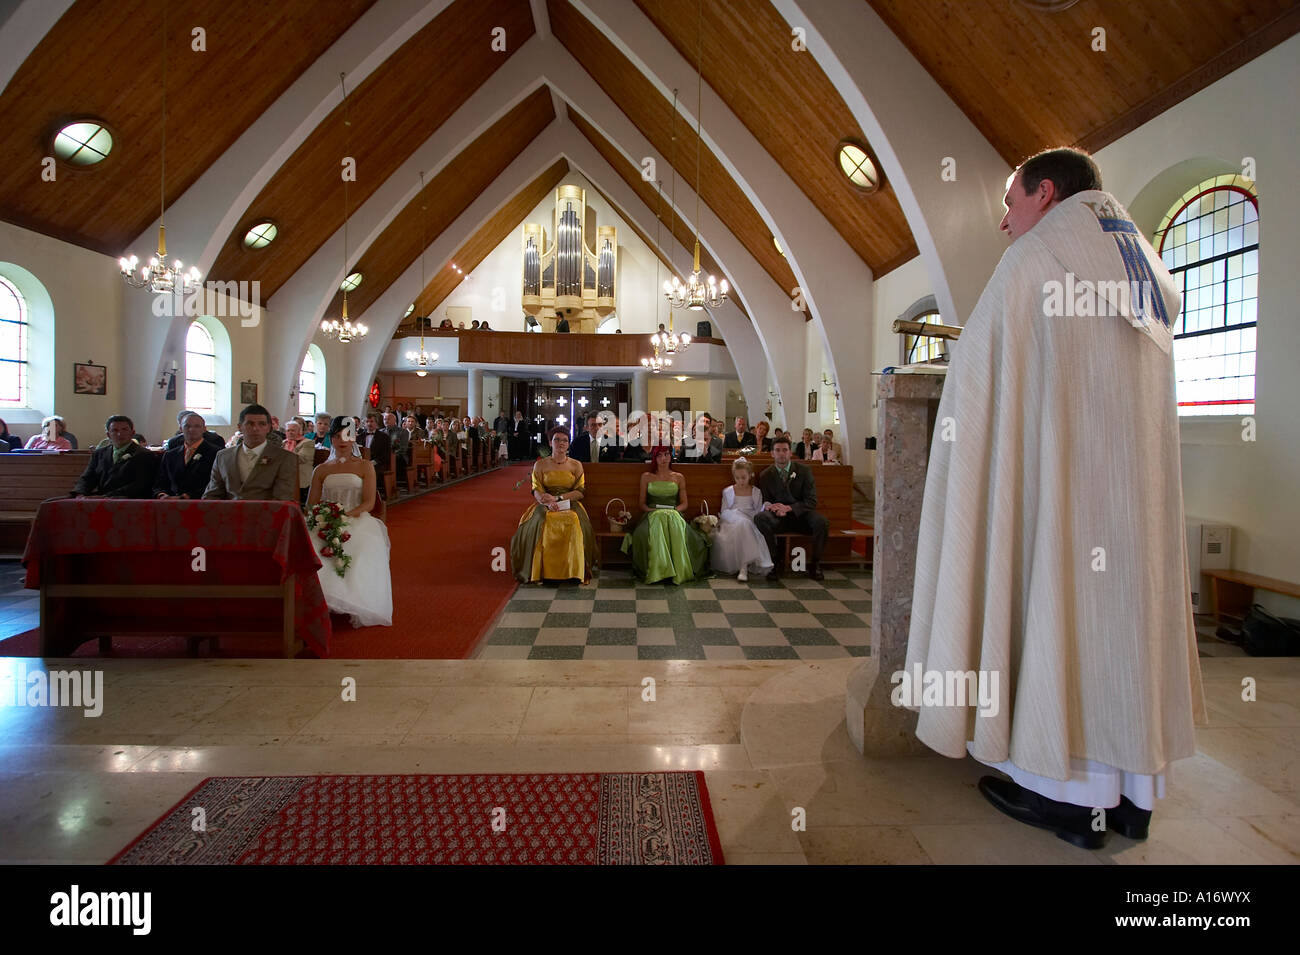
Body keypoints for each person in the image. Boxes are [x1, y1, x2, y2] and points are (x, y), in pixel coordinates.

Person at [906, 147, 1205, 850]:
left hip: (1061, 505)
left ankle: (1066, 796)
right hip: (1135, 513)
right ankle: (1131, 797)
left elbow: (975, 391)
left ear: (1045, 194)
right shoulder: (1146, 273)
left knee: (1058, 621)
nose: (1006, 222)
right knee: (1119, 638)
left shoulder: (1036, 261)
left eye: (1011, 202)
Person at [306, 416, 392, 628]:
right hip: (325, 519)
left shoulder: (364, 466)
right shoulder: (321, 469)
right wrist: (325, 517)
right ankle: (321, 602)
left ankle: (352, 601)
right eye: (336, 436)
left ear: (353, 437)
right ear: (331, 439)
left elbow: (369, 502)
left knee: (359, 547)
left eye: (346, 435)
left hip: (356, 517)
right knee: (313, 549)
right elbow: (311, 504)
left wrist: (345, 516)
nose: (341, 440)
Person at [509, 427, 597, 583]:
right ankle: (542, 571)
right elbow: (536, 489)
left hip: (569, 501)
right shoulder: (541, 465)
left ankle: (574, 570)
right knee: (538, 521)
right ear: (550, 442)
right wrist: (547, 501)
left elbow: (580, 491)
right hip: (545, 502)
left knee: (576, 521)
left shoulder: (576, 465)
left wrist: (558, 499)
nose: (561, 443)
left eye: (564, 440)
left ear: (569, 444)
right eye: (557, 439)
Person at [621, 445, 710, 584]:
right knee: (646, 532)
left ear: (671, 456)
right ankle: (658, 570)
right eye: (659, 455)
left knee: (674, 523)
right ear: (654, 458)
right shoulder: (646, 477)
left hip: (673, 513)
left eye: (667, 454)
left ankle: (678, 569)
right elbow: (642, 504)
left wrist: (674, 510)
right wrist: (653, 511)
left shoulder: (679, 477)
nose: (663, 458)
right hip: (652, 514)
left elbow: (684, 504)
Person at [755, 434, 829, 581]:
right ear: (772, 453)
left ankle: (815, 564)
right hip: (778, 519)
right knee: (760, 518)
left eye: (784, 450)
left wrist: (789, 508)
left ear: (790, 452)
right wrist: (774, 508)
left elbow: (811, 501)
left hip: (801, 516)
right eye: (777, 450)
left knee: (822, 522)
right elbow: (766, 500)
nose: (781, 453)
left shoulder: (804, 471)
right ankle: (775, 562)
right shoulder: (765, 475)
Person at [202, 404, 298, 501]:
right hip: (228, 513)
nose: (255, 428)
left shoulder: (284, 458)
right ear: (240, 427)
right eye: (250, 424)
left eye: (261, 424)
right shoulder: (223, 456)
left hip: (266, 513)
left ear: (269, 428)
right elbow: (213, 494)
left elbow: (282, 498)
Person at [711, 457, 773, 582]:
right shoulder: (728, 491)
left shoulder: (756, 492)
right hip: (731, 519)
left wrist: (764, 507)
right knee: (741, 524)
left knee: (745, 525)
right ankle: (743, 567)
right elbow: (724, 512)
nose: (741, 481)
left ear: (750, 475)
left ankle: (743, 567)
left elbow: (758, 512)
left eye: (743, 477)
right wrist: (736, 517)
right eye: (737, 478)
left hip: (750, 519)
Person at [72, 415, 158, 497]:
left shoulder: (144, 455)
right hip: (101, 499)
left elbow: (141, 484)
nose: (120, 434)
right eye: (115, 430)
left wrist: (107, 497)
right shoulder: (99, 454)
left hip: (130, 501)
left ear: (132, 433)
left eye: (124, 429)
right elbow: (87, 478)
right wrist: (80, 493)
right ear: (108, 435)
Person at [154, 412, 217, 499]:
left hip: (200, 502)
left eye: (197, 426)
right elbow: (160, 481)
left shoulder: (216, 453)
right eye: (187, 426)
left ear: (204, 429)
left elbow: (215, 484)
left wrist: (186, 497)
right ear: (180, 429)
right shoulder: (170, 455)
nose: (191, 429)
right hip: (169, 503)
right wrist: (162, 495)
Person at [282, 419, 316, 503]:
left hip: (301, 480)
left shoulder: (308, 443)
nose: (290, 432)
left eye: (293, 430)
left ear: (299, 431)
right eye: (288, 430)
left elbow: (302, 458)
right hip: (285, 480)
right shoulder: (284, 443)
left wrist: (284, 454)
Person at [358, 414, 393, 496]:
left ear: (376, 423)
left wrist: (373, 462)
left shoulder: (384, 437)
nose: (369, 424)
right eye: (367, 422)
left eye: (372, 421)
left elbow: (386, 454)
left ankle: (371, 494)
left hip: (378, 463)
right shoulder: (359, 437)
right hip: (361, 463)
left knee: (371, 470)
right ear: (364, 424)